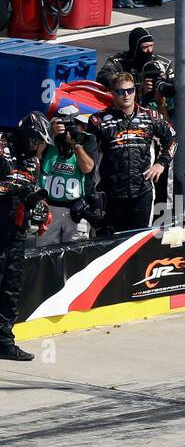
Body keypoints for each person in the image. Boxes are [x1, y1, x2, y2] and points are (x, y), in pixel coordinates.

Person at [86, 73, 176, 233]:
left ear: (135, 91)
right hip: (110, 194)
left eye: (130, 90)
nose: (126, 95)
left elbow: (173, 138)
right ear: (112, 93)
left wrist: (161, 163)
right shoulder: (98, 121)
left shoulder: (150, 117)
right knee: (108, 244)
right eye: (120, 91)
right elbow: (88, 156)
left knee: (138, 242)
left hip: (142, 192)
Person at [0, 114, 54, 362]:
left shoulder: (32, 161)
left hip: (16, 231)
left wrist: (41, 207)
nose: (36, 146)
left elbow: (32, 190)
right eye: (35, 140)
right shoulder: (2, 144)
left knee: (12, 286)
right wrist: (13, 189)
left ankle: (4, 341)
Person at [40, 108, 99, 244]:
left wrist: (76, 144)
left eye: (77, 125)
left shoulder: (88, 139)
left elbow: (87, 168)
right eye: (67, 125)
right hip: (49, 207)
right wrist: (49, 134)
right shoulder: (48, 140)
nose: (73, 129)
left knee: (76, 258)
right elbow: (36, 158)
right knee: (45, 257)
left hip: (77, 209)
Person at [97, 27, 174, 91]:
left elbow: (176, 82)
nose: (149, 50)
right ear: (135, 47)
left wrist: (164, 79)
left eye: (151, 46)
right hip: (129, 103)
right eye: (145, 47)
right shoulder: (117, 62)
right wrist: (128, 83)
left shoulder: (163, 64)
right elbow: (102, 77)